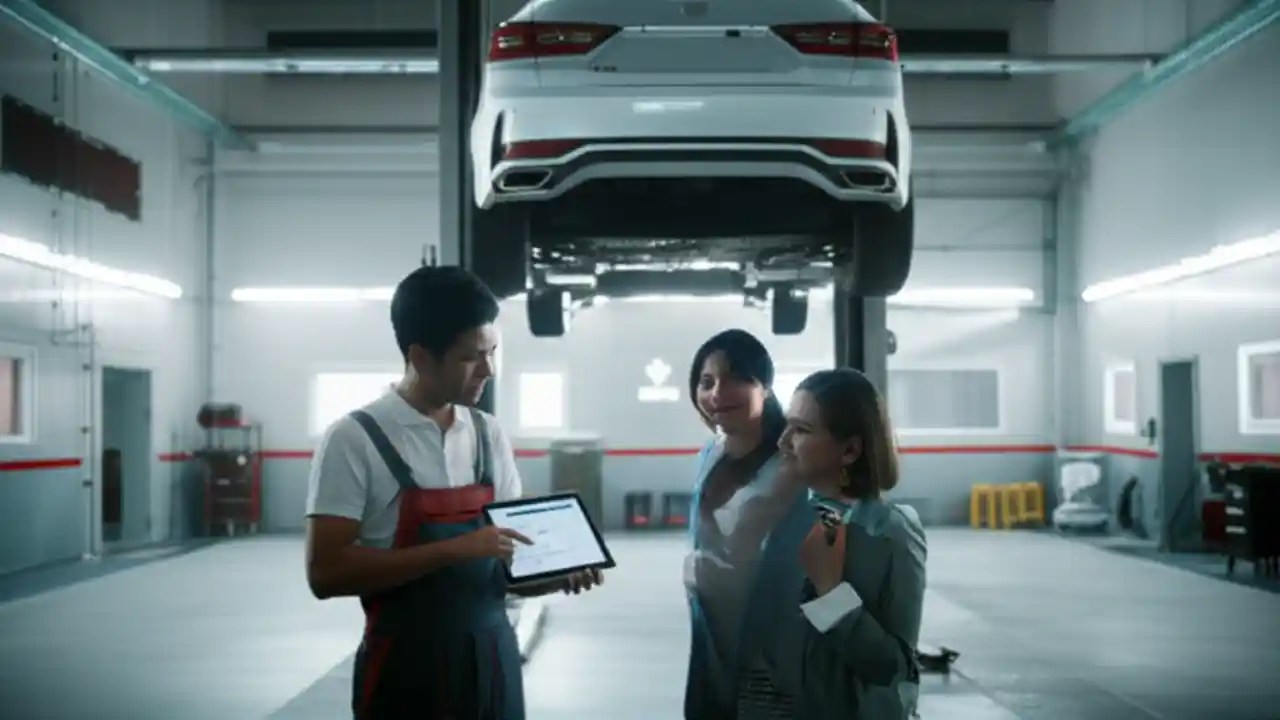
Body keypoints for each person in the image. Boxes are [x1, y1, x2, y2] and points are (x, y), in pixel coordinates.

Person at [304, 265, 601, 720]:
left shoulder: (487, 435)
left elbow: (507, 566)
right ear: (420, 357)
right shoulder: (355, 438)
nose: (489, 370)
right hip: (406, 672)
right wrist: (456, 549)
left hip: (493, 662)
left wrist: (558, 574)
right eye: (471, 357)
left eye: (493, 351)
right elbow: (325, 573)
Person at [682, 329, 816, 719]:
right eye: (707, 382)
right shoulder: (710, 455)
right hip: (712, 637)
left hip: (777, 646)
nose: (717, 394)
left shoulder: (793, 467)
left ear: (766, 387)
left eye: (736, 378)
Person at [779, 368, 927, 720]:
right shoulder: (788, 520)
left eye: (801, 430)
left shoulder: (889, 532)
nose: (783, 441)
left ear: (849, 450)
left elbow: (892, 667)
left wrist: (830, 594)